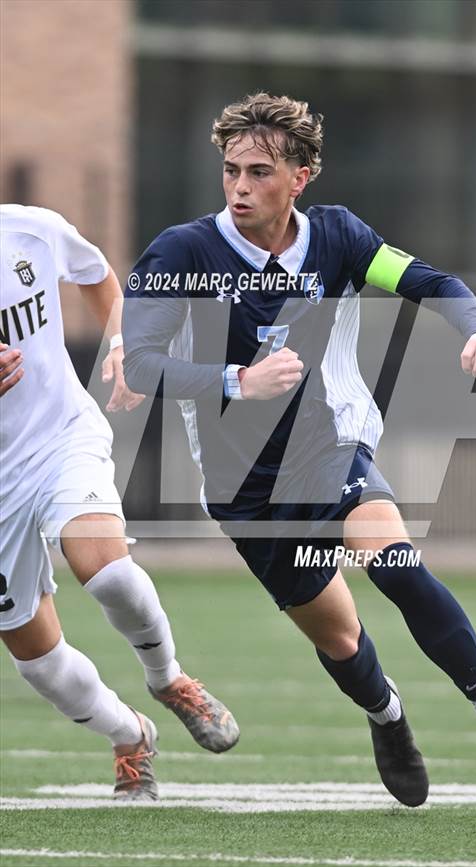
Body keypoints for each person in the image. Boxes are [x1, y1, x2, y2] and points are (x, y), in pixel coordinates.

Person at [122, 93, 476, 807]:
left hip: (333, 442)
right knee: (340, 637)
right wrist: (238, 378)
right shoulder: (182, 253)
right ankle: (388, 716)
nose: (240, 186)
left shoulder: (339, 238)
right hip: (246, 490)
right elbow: (139, 365)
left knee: (396, 564)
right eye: (231, 170)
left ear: (301, 176)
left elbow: (432, 282)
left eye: (259, 171)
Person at [0, 204, 239, 803]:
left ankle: (169, 679)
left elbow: (97, 273)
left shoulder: (30, 230)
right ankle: (130, 736)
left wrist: (125, 343)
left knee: (108, 574)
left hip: (60, 438)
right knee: (39, 664)